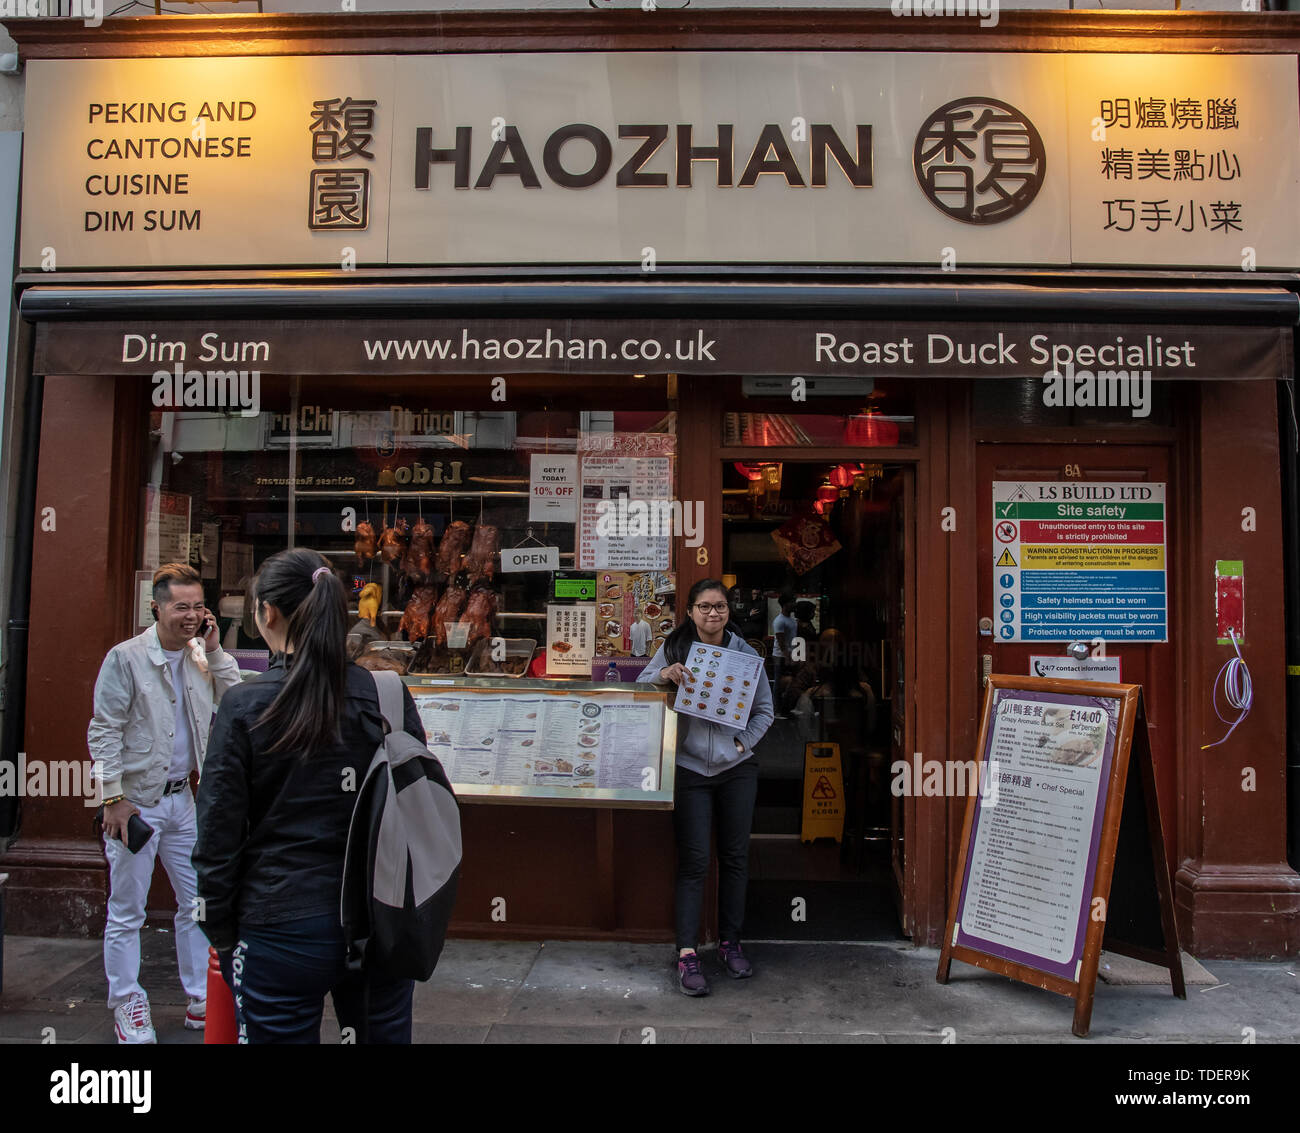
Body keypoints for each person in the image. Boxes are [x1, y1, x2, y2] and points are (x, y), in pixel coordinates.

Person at [193, 548, 429, 1044]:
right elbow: (417, 806)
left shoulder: (244, 704)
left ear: (267, 613)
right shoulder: (385, 694)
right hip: (378, 915)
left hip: (279, 919)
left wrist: (220, 925)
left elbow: (218, 830)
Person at [87, 562, 241, 1044]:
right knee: (127, 909)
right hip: (134, 803)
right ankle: (127, 1002)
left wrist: (215, 651)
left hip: (184, 800)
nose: (192, 615)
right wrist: (111, 797)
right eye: (181, 606)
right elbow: (104, 728)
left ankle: (200, 998)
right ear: (156, 607)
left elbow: (236, 700)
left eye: (198, 606)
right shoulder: (126, 658)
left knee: (196, 902)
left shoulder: (200, 655)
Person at [638, 578, 774, 997]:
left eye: (719, 607)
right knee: (694, 862)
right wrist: (664, 673)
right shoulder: (675, 647)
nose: (712, 614)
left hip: (737, 771)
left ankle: (730, 943)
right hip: (690, 770)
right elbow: (641, 687)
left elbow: (765, 711)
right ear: (691, 611)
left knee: (735, 858)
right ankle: (687, 953)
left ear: (728, 612)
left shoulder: (746, 656)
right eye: (704, 607)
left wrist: (741, 743)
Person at [770, 593, 798, 681]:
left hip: (790, 655)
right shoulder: (780, 621)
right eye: (792, 602)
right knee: (779, 681)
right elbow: (781, 643)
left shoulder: (792, 620)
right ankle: (776, 695)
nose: (794, 604)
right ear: (785, 604)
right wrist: (788, 658)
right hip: (781, 656)